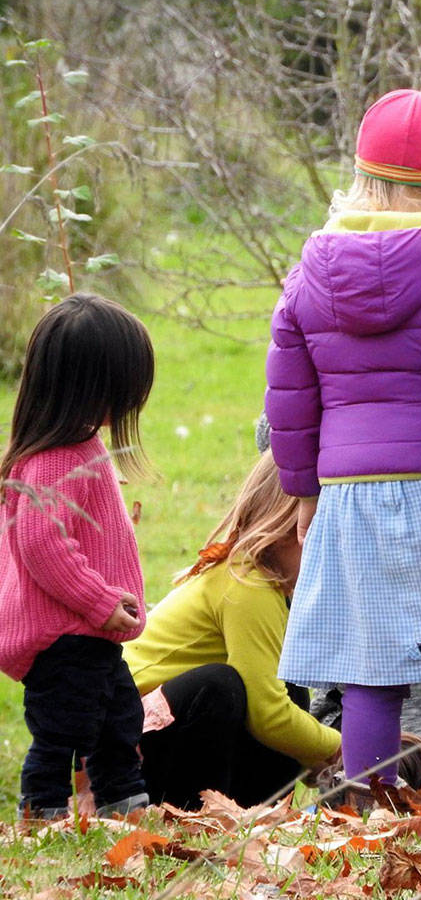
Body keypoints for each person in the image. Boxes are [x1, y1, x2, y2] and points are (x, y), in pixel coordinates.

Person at [266, 88, 421, 801]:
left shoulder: (307, 279)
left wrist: (302, 489)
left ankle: (358, 805)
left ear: (361, 178)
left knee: (364, 661)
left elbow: (291, 399)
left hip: (349, 493)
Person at [0, 293, 154, 819]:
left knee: (118, 721)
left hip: (88, 635)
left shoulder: (76, 447)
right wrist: (100, 600)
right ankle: (41, 813)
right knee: (63, 730)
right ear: (95, 384)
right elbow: (42, 543)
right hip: (66, 636)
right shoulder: (53, 459)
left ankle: (124, 807)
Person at [125, 451, 343, 810]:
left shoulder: (268, 586)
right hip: (131, 745)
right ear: (290, 529)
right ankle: (192, 809)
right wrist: (342, 749)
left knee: (288, 685)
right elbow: (269, 717)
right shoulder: (248, 584)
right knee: (219, 687)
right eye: (324, 543)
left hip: (166, 735)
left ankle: (251, 806)